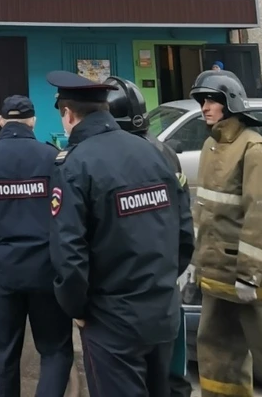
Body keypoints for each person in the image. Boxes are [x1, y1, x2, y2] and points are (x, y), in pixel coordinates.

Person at [46, 70, 194, 397]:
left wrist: (78, 310)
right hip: (162, 313)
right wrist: (160, 284)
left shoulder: (73, 165)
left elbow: (69, 255)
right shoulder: (155, 154)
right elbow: (184, 233)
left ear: (68, 115)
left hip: (111, 323)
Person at [189, 69, 262, 396]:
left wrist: (249, 275)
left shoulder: (254, 149)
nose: (205, 106)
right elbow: (208, 215)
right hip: (218, 277)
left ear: (231, 103)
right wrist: (197, 267)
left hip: (256, 283)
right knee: (217, 355)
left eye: (212, 99)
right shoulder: (210, 147)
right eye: (202, 100)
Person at [0, 95, 73, 397]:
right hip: (47, 272)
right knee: (55, 352)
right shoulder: (53, 158)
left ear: (0, 121)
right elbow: (70, 216)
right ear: (33, 121)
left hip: (5, 274)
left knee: (3, 354)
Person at [104, 76, 194, 397]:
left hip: (124, 296)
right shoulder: (165, 153)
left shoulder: (109, 157)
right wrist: (171, 270)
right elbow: (185, 229)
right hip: (166, 286)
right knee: (171, 372)